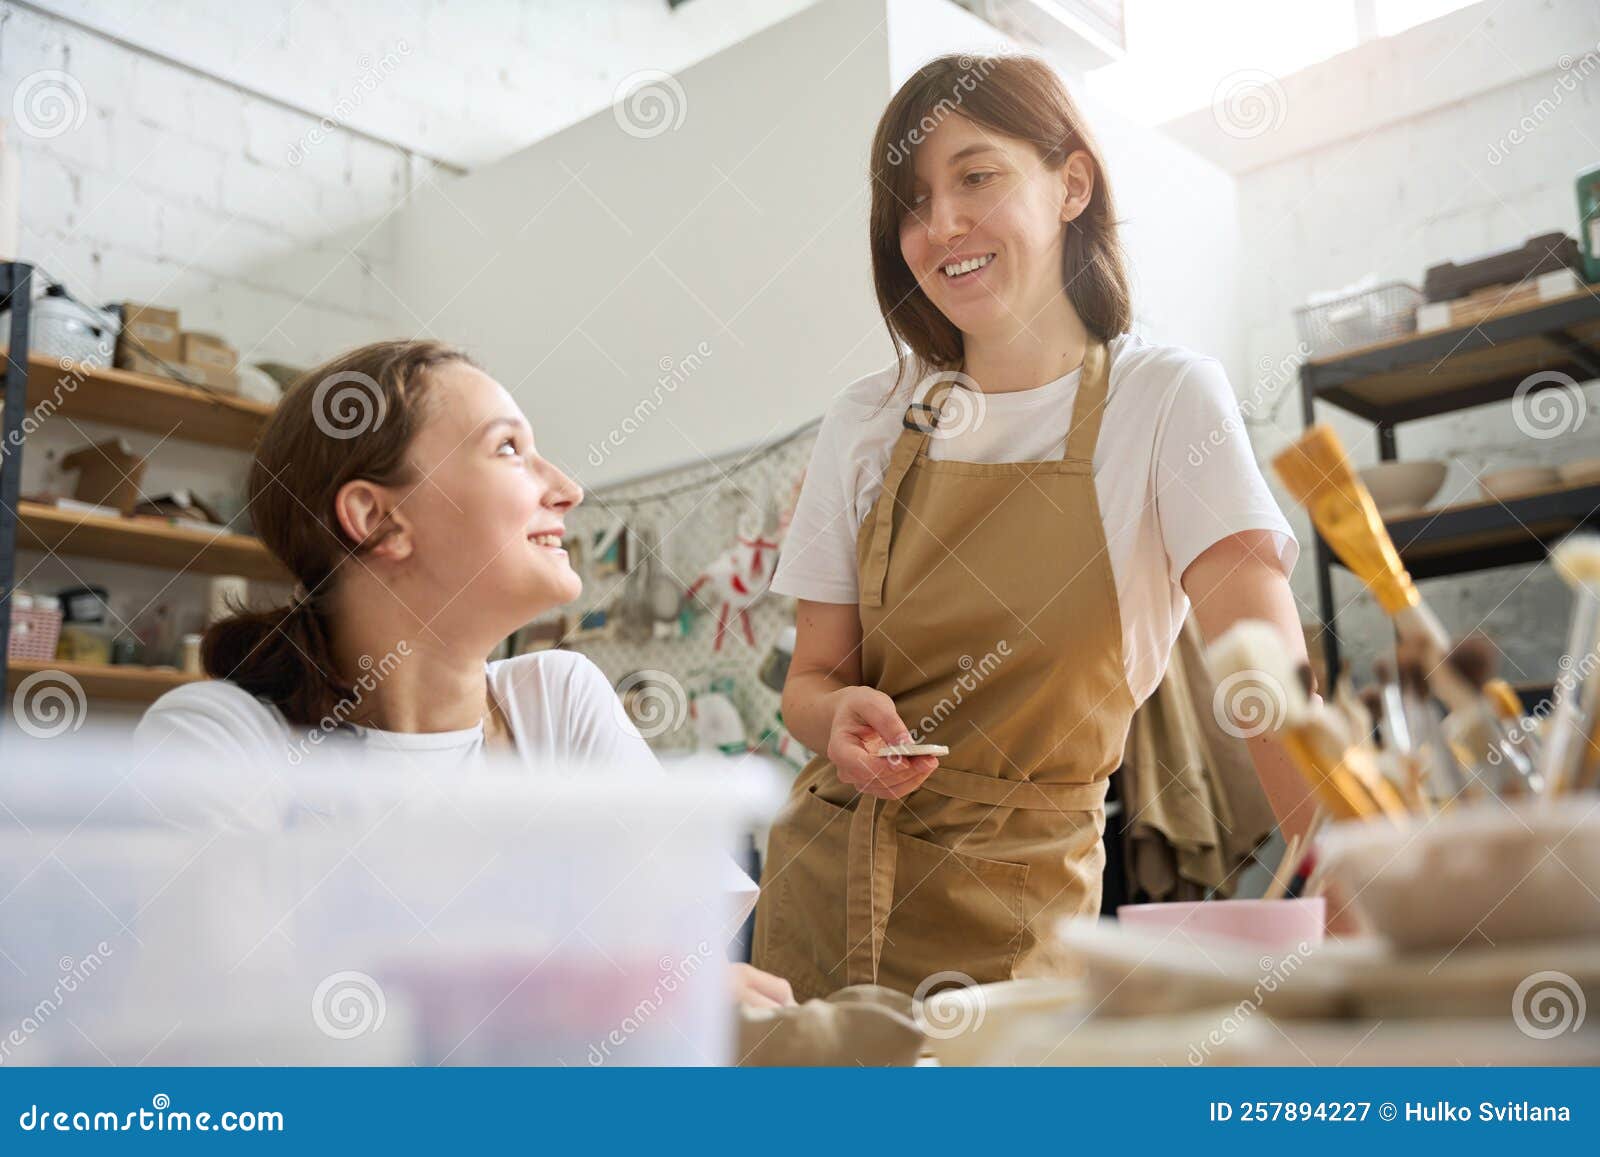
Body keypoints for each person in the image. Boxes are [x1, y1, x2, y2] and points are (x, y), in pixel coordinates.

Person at [750, 55, 1310, 1001]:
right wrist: (832, 720)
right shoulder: (869, 418)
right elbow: (812, 681)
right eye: (912, 202)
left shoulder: (1163, 399)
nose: (939, 227)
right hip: (820, 894)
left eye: (976, 176)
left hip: (1020, 919)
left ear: (1072, 184)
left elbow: (1271, 693)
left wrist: (1360, 882)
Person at [135, 339, 792, 1009]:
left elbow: (683, 958)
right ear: (377, 518)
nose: (567, 489)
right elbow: (231, 1023)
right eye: (508, 448)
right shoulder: (217, 737)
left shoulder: (558, 700)